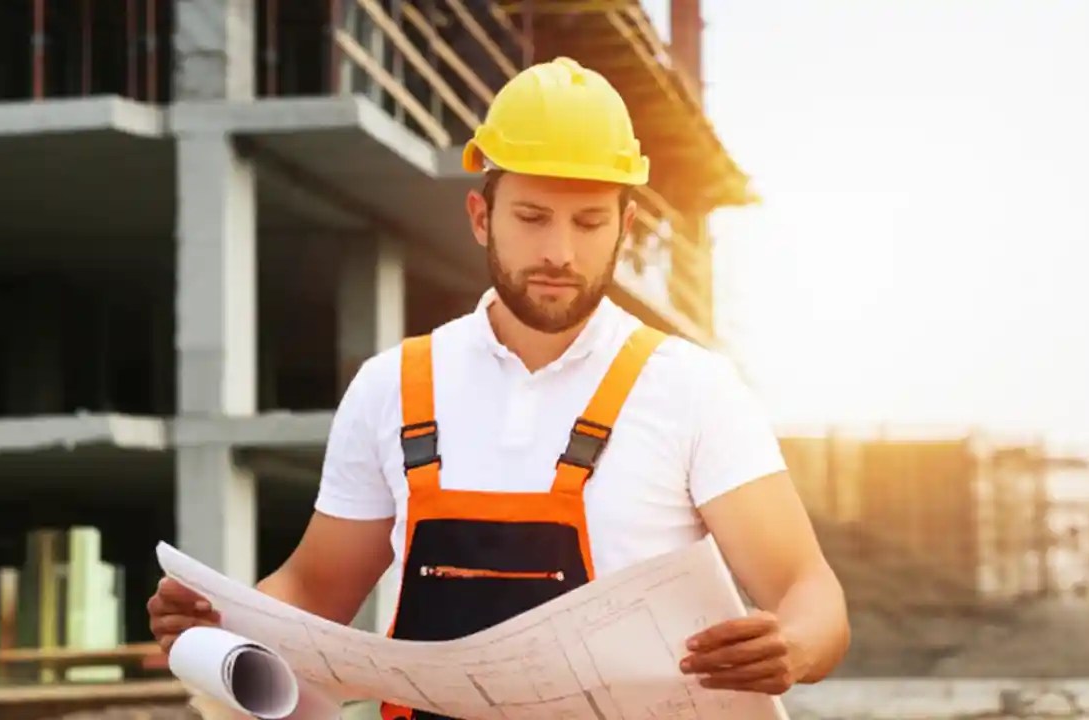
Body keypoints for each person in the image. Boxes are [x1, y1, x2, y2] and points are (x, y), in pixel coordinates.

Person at [149, 56, 849, 717]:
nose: (559, 252)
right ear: (482, 217)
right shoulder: (393, 386)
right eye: (532, 217)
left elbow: (809, 592)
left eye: (589, 222)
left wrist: (792, 645)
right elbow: (313, 589)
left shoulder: (693, 389)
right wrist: (221, 621)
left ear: (626, 229)